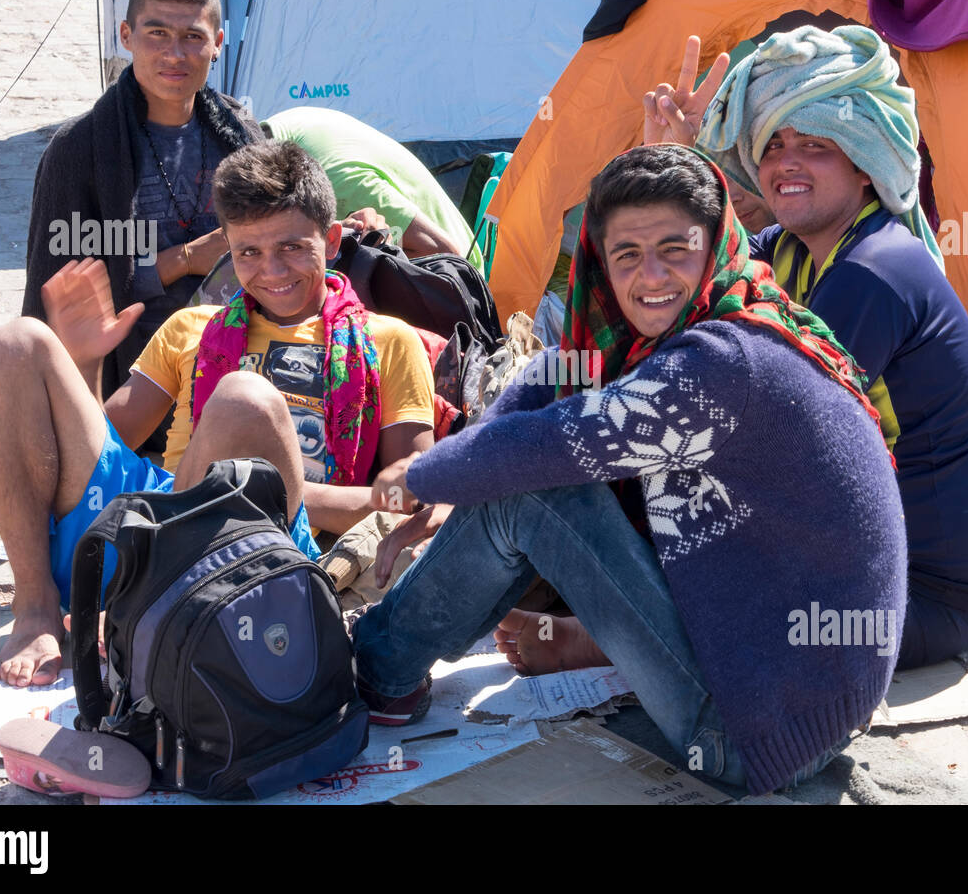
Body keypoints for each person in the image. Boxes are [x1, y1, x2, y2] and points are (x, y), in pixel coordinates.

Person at [350, 144, 906, 795]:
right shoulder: (732, 305)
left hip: (750, 735)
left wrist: (419, 477)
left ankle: (380, 669)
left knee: (532, 488)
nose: (650, 277)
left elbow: (552, 443)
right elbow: (549, 376)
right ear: (596, 261)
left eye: (675, 249)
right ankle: (439, 648)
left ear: (710, 245)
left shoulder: (720, 364)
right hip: (798, 702)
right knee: (516, 460)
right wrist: (459, 471)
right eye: (626, 255)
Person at [0, 140, 435, 688]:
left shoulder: (388, 342)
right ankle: (36, 605)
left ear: (332, 240)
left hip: (258, 546)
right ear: (228, 252)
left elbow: (410, 500)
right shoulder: (190, 328)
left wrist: (248, 485)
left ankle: (133, 612)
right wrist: (85, 362)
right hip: (152, 519)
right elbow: (97, 449)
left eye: (291, 247)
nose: (272, 270)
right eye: (248, 253)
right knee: (14, 341)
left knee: (245, 400)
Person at [645, 27, 968, 668]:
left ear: (865, 161)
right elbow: (702, 269)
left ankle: (598, 641)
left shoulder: (875, 271)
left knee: (744, 607)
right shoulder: (791, 252)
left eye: (814, 146)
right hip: (849, 562)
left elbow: (771, 434)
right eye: (775, 143)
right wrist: (678, 164)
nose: (786, 162)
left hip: (916, 597)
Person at [22, 0, 262, 406]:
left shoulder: (244, 139)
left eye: (193, 36)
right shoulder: (81, 151)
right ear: (126, 36)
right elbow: (60, 292)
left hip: (241, 372)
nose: (175, 54)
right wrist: (188, 258)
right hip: (126, 384)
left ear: (218, 44)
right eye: (157, 34)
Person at [263, 107, 481, 269]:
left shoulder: (338, 183)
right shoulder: (273, 129)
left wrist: (340, 255)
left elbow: (446, 253)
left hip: (457, 289)